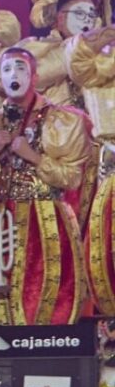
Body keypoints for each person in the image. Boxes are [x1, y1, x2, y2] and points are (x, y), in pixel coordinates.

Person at [0, 47, 89, 326]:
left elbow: (72, 178)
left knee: (50, 291)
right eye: (7, 69)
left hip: (47, 218)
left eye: (21, 68)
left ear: (35, 76)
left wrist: (34, 157)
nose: (14, 75)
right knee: (5, 295)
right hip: (2, 219)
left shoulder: (63, 120)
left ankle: (50, 344)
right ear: (0, 79)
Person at [66, 22, 115, 315]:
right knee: (104, 237)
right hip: (107, 156)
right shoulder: (97, 60)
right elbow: (76, 60)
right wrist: (109, 33)